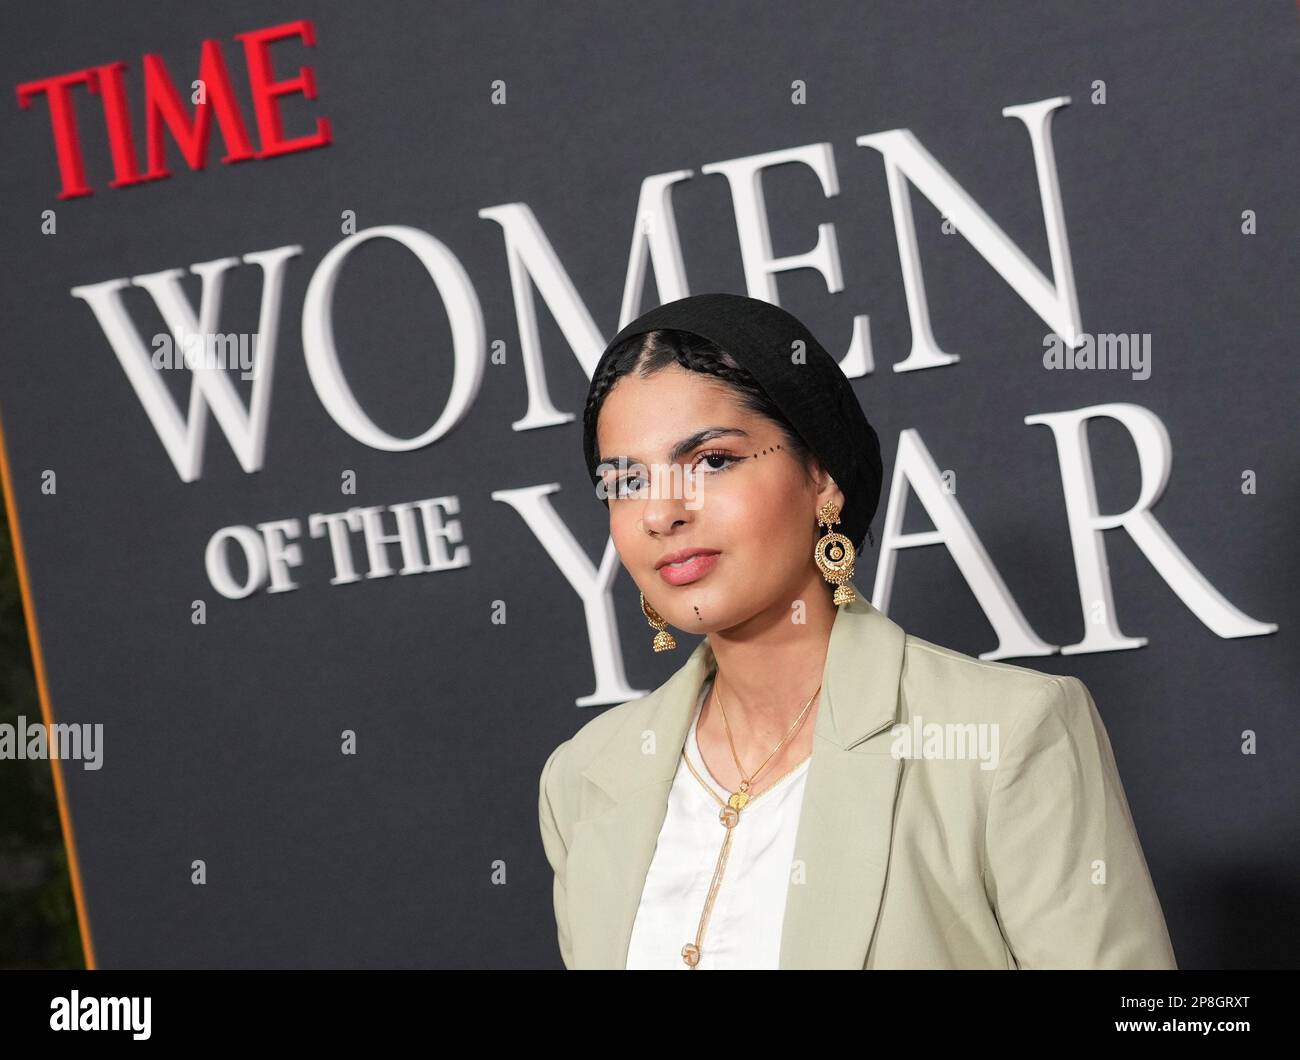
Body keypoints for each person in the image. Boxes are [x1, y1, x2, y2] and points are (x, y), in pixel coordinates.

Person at [537, 292, 1177, 970]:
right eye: (626, 481)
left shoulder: (1007, 734)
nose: (661, 513)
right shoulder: (583, 777)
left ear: (823, 478)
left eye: (713, 461)